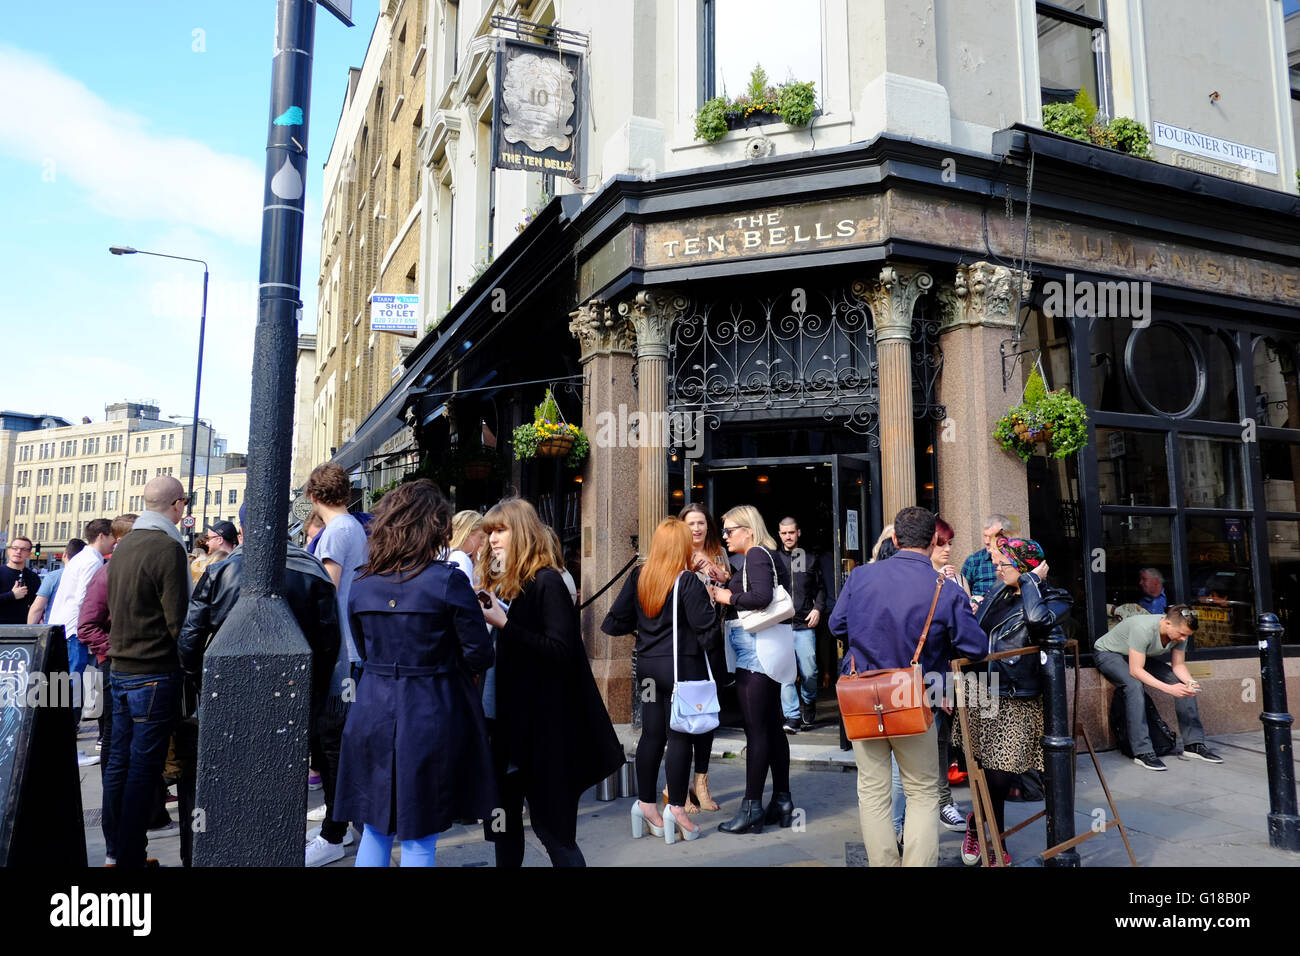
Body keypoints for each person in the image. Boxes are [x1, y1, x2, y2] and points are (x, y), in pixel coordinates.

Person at [331, 480, 496, 867]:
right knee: (421, 831)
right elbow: (479, 655)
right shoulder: (448, 581)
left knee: (375, 825)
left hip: (371, 705)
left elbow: (364, 646)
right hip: (429, 708)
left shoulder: (363, 582)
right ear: (432, 528)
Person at [177, 501, 342, 866]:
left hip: (230, 690)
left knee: (229, 777)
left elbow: (191, 637)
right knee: (286, 776)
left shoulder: (220, 571)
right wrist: (315, 688)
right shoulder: (311, 569)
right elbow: (330, 639)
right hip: (295, 692)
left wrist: (199, 682)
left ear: (243, 528)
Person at [829, 506, 986, 868]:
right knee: (921, 792)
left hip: (864, 698)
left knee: (872, 792)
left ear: (896, 539)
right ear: (933, 541)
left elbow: (837, 627)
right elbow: (975, 648)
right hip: (916, 699)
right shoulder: (944, 589)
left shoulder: (860, 577)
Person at [477, 497, 623, 867]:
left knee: (553, 832)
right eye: (490, 531)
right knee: (505, 828)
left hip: (541, 733)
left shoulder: (548, 582)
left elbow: (561, 650)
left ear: (522, 532)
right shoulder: (506, 584)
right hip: (504, 726)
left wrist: (505, 624)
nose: (493, 539)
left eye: (501, 530)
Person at [957, 536, 1070, 866]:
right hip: (980, 687)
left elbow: (1037, 620)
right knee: (980, 768)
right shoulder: (997, 591)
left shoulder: (1056, 597)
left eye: (1004, 563)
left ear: (1025, 568)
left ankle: (986, 831)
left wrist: (1032, 581)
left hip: (1013, 696)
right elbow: (976, 632)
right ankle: (984, 830)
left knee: (1000, 774)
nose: (996, 567)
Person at [602, 517, 716, 845]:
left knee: (652, 735)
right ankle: (677, 809)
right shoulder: (688, 582)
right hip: (682, 668)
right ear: (680, 547)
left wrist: (647, 632)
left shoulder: (640, 576)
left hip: (648, 666)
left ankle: (646, 804)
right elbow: (708, 631)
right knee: (680, 736)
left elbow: (612, 622)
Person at [103, 477, 189, 869]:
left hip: (120, 670)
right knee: (143, 769)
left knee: (119, 764)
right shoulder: (167, 548)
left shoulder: (122, 549)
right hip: (153, 672)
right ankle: (131, 858)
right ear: (177, 505)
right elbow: (179, 622)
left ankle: (118, 852)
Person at [708, 504, 796, 834]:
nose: (726, 536)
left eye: (730, 530)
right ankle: (782, 800)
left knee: (756, 730)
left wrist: (724, 596)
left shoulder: (757, 554)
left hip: (756, 652)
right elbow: (761, 591)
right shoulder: (766, 555)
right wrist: (729, 580)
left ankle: (751, 807)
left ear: (748, 530)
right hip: (769, 650)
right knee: (772, 726)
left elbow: (759, 598)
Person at [304, 462, 370, 866]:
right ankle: (339, 824)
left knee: (332, 745)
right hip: (347, 652)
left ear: (313, 496)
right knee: (333, 745)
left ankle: (335, 832)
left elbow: (323, 592)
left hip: (341, 654)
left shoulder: (338, 531)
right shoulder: (351, 528)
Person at [1093, 605, 1221, 771]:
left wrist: (1191, 682)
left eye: (1186, 636)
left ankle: (1194, 745)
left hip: (1137, 655)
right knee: (1134, 685)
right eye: (1181, 634)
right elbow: (1136, 670)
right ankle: (1143, 752)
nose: (1183, 639)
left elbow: (1178, 666)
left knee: (1183, 684)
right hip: (1109, 653)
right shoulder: (1143, 628)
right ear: (1167, 623)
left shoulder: (1182, 631)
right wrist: (1168, 689)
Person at [77, 513, 137, 862]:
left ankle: (126, 842)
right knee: (115, 757)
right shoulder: (106, 572)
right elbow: (87, 626)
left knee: (127, 757)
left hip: (128, 668)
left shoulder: (123, 570)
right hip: (113, 669)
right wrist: (118, 649)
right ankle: (114, 848)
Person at [677, 502, 729, 813]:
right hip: (684, 644)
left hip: (713, 640)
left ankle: (702, 783)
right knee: (684, 717)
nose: (697, 528)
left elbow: (730, 584)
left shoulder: (718, 552)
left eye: (701, 523)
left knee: (708, 715)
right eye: (691, 523)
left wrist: (720, 576)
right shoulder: (677, 557)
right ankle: (676, 786)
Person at [49, 517, 115, 726]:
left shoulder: (81, 558)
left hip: (66, 625)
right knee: (72, 683)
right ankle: (68, 736)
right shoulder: (92, 560)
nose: (115, 542)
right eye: (113, 537)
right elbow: (84, 598)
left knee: (65, 683)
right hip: (74, 628)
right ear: (102, 535)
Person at [777, 516, 827, 734]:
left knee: (810, 671)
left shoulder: (809, 559)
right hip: (780, 625)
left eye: (791, 532)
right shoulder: (774, 559)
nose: (788, 536)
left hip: (804, 624)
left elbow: (821, 589)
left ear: (798, 533)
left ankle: (808, 700)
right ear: (779, 534)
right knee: (785, 674)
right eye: (783, 533)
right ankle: (792, 716)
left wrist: (817, 608)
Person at [27, 538, 85, 626]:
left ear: (64, 555)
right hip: (80, 628)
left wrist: (30, 631)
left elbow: (37, 608)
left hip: (55, 628)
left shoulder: (53, 577)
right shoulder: (90, 575)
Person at [960, 514, 1008, 601]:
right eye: (985, 536)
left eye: (991, 537)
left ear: (1005, 537)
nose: (986, 541)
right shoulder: (973, 561)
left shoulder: (1015, 559)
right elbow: (961, 595)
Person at [1, 536, 41, 625]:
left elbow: (36, 605)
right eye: (15, 548)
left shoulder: (34, 578)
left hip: (23, 630)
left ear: (29, 554)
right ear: (9, 551)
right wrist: (11, 595)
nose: (18, 552)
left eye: (23, 549)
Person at [446, 509, 486, 583]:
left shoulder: (443, 554)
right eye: (481, 537)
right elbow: (467, 594)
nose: (482, 543)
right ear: (467, 534)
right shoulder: (460, 557)